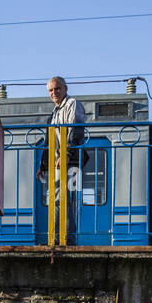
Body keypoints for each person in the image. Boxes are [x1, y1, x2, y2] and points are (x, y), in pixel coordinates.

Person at [36, 75, 86, 244]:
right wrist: (43, 165)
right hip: (57, 162)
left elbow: (76, 131)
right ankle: (59, 238)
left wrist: (66, 156)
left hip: (69, 160)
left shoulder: (72, 104)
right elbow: (49, 141)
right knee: (58, 198)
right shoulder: (54, 113)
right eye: (51, 90)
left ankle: (65, 239)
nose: (54, 92)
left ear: (65, 89)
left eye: (57, 88)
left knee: (62, 198)